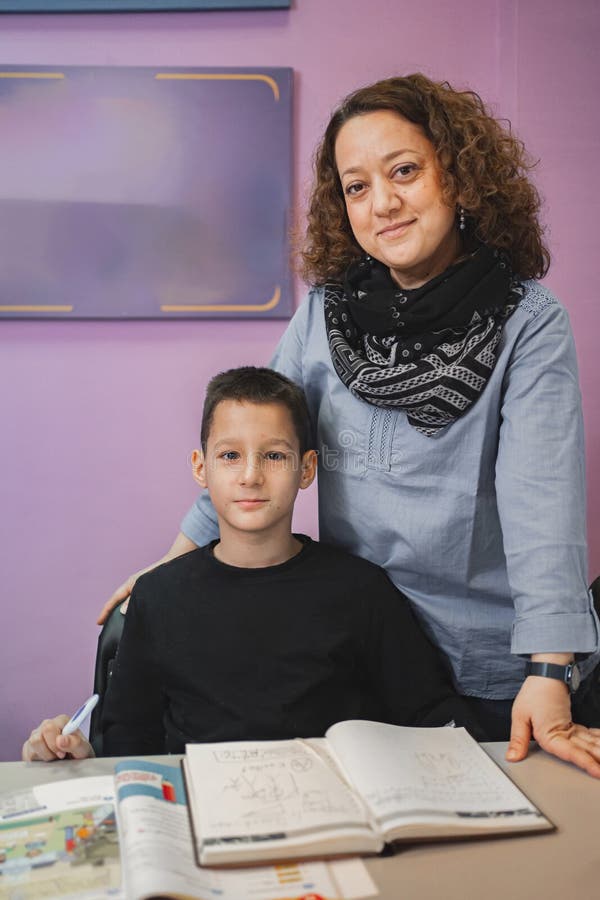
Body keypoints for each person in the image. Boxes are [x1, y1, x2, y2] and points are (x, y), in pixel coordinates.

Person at [98, 74, 600, 776]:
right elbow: (255, 440)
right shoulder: (324, 312)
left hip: (484, 668)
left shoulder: (528, 322)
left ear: (460, 175)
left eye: (405, 171)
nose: (384, 203)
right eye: (357, 186)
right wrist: (171, 568)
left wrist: (549, 670)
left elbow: (542, 506)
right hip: (358, 657)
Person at [23, 367, 496, 762]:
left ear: (306, 469)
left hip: (338, 819)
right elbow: (127, 744)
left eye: (274, 455)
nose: (250, 475)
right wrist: (77, 753)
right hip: (204, 824)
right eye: (230, 456)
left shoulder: (360, 590)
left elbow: (430, 714)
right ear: (200, 467)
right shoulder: (158, 597)